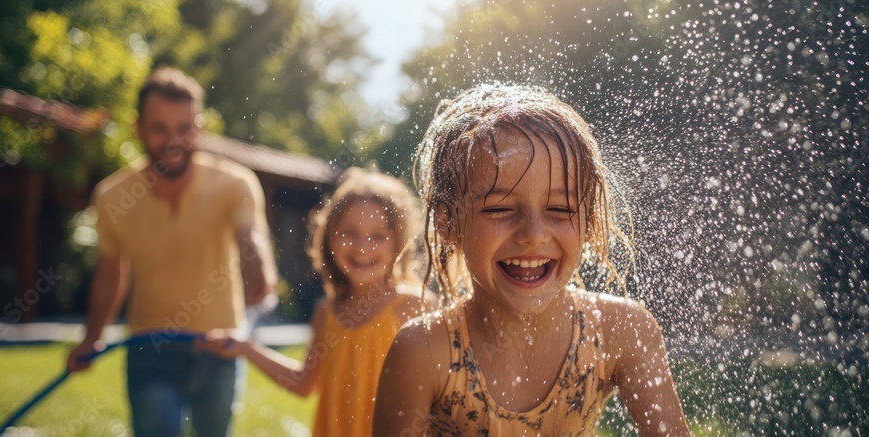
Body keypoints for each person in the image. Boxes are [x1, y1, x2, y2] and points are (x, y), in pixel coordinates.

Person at [373, 84, 690, 436]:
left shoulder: (620, 331)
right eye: (500, 209)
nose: (534, 234)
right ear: (448, 223)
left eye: (560, 209)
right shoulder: (425, 351)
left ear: (590, 219)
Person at [66, 66, 279, 437]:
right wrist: (91, 336)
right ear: (139, 129)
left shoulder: (235, 183)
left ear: (199, 127)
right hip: (151, 347)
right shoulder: (113, 196)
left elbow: (251, 235)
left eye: (185, 128)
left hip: (220, 346)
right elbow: (111, 272)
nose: (174, 140)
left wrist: (258, 268)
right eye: (160, 128)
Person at [199, 167, 436, 436]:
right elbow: (304, 383)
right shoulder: (326, 312)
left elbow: (437, 398)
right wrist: (246, 348)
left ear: (399, 243)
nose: (362, 246)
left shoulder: (415, 306)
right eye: (348, 232)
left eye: (378, 235)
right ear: (329, 238)